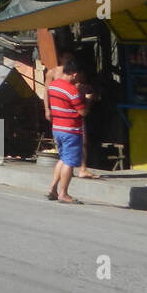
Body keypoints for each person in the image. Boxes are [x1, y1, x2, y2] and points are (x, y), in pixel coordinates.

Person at [45, 57, 88, 204]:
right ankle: (63, 193)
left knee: (63, 160)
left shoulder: (53, 86)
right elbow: (83, 112)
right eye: (81, 75)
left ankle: (52, 189)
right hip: (71, 130)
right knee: (69, 162)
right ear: (75, 74)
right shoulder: (72, 91)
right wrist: (88, 99)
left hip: (57, 128)